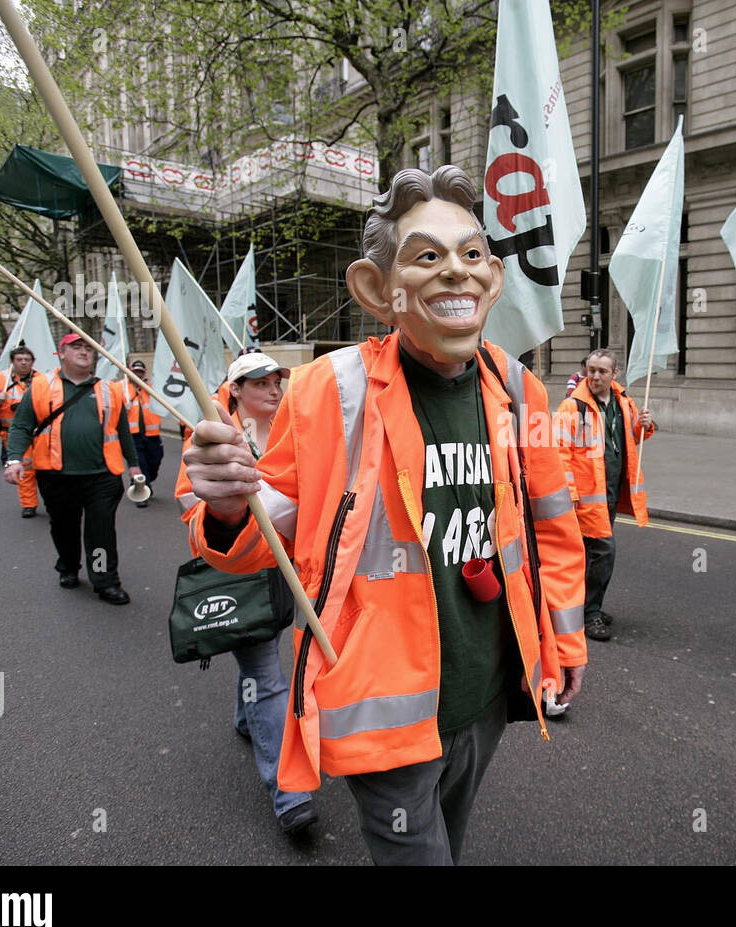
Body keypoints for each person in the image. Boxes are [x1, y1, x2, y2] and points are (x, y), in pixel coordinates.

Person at [182, 165, 587, 865]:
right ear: (378, 291)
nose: (455, 274)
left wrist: (566, 643)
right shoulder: (324, 392)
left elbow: (553, 524)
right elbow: (255, 543)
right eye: (427, 256)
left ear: (492, 279)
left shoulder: (521, 390)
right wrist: (222, 506)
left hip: (488, 693)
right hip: (382, 706)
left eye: (470, 256)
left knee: (450, 845)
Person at [173, 351, 318, 835]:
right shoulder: (208, 433)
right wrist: (227, 506)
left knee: (264, 654)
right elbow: (188, 504)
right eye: (260, 381)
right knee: (265, 671)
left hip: (286, 568)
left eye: (278, 379)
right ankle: (290, 794)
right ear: (234, 389)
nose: (274, 389)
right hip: (233, 569)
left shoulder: (295, 424)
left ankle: (245, 714)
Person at [4, 334, 143, 605]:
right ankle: (68, 566)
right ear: (62, 353)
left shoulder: (110, 389)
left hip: (102, 476)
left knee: (101, 531)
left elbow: (123, 431)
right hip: (56, 476)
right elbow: (21, 425)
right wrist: (14, 459)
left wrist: (134, 464)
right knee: (64, 528)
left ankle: (105, 580)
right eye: (76, 347)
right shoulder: (41, 385)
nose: (83, 352)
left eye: (88, 348)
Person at [554, 348, 654, 642]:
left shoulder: (624, 402)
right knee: (603, 553)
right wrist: (569, 494)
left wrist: (645, 426)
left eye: (601, 371)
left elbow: (633, 437)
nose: (594, 376)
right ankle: (589, 614)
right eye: (590, 370)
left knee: (588, 557)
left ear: (615, 374)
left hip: (610, 494)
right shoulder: (572, 408)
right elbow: (560, 455)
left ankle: (583, 607)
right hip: (585, 500)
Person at [0, 346, 41, 517]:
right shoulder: (0, 379)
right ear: (12, 362)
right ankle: (29, 504)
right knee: (24, 468)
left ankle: (53, 501)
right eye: (19, 359)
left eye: (27, 359)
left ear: (32, 361)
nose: (23, 363)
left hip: (41, 433)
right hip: (13, 433)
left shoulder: (42, 380)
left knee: (47, 468)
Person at [125, 359, 164, 508]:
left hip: (152, 434)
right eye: (135, 372)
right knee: (141, 464)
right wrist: (131, 396)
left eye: (140, 372)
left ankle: (147, 480)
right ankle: (141, 492)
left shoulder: (151, 388)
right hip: (134, 435)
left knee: (155, 462)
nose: (138, 375)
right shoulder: (124, 389)